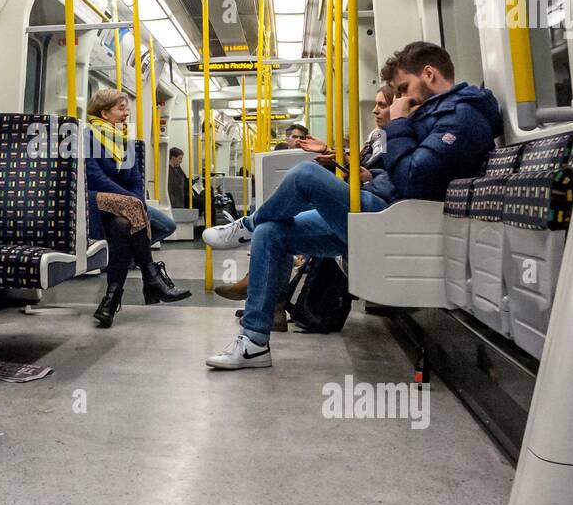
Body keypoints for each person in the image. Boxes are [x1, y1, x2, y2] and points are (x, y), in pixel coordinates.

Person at [202, 41, 501, 370]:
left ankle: (246, 226)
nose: (400, 97)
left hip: (397, 219)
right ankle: (254, 342)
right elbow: (393, 170)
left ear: (429, 73)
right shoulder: (432, 112)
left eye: (403, 88)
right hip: (384, 206)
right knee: (272, 232)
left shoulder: (462, 116)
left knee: (304, 174)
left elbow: (414, 178)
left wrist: (398, 123)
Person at [86, 88, 190, 327]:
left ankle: (110, 302)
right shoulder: (87, 136)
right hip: (95, 200)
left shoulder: (126, 141)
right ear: (104, 113)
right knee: (129, 216)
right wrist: (130, 201)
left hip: (124, 209)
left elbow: (136, 180)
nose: (127, 113)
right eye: (121, 108)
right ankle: (151, 276)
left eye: (127, 108)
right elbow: (94, 177)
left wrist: (135, 201)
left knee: (124, 228)